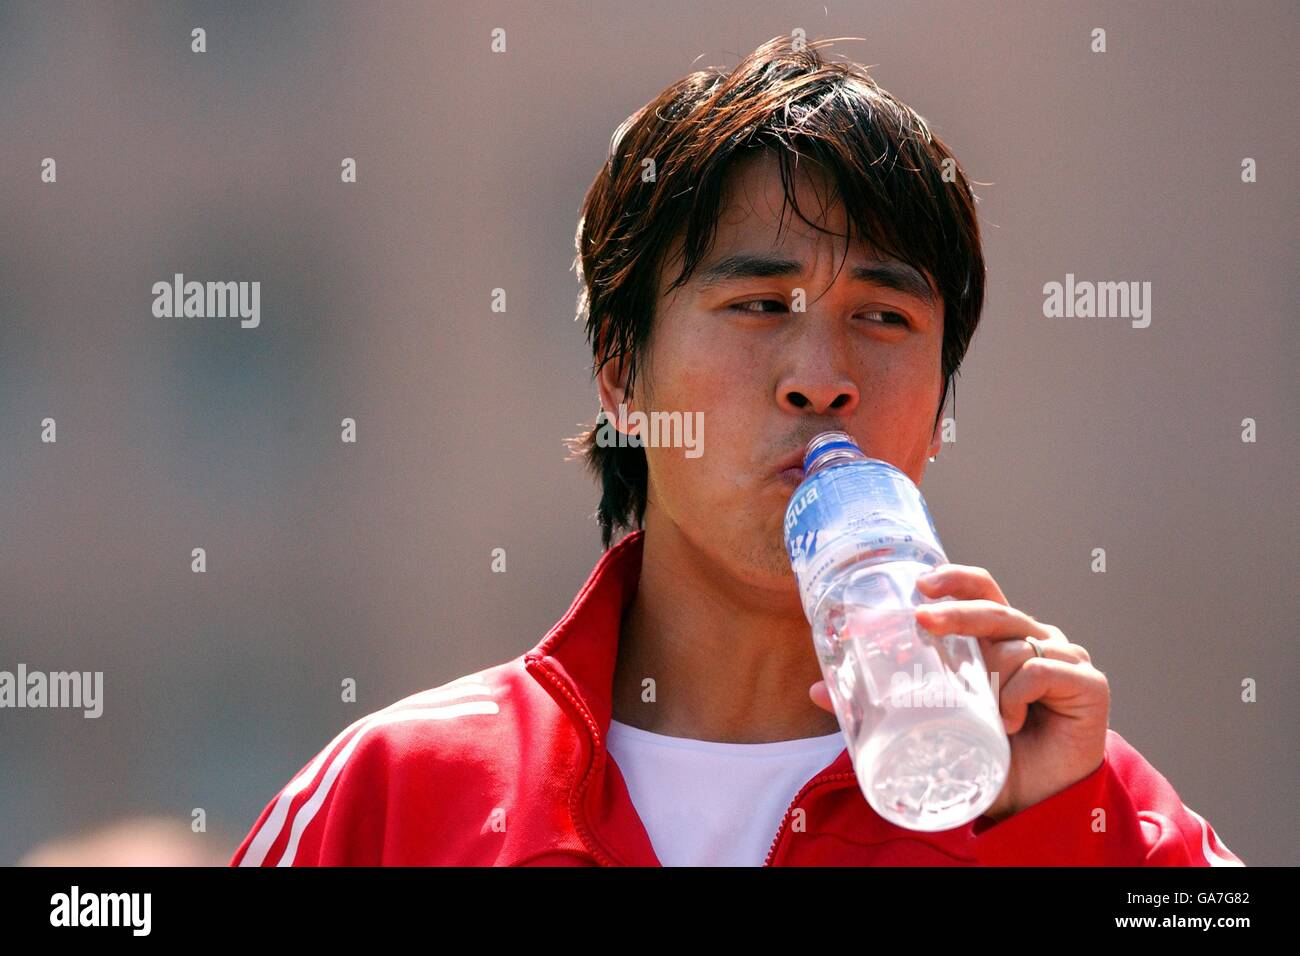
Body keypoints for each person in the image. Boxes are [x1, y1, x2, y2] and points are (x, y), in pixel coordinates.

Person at [231, 35, 1243, 867]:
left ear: (938, 409)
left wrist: (1063, 831)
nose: (821, 376)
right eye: (759, 305)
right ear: (621, 377)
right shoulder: (396, 797)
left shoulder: (1074, 796)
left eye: (884, 317)